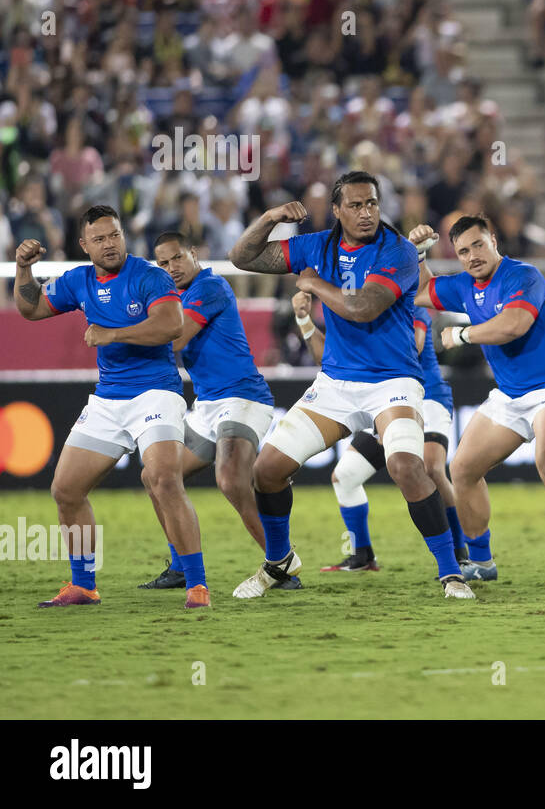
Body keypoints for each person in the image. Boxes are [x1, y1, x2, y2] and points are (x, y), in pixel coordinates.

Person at [229, 171, 472, 600]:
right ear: (337, 211)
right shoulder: (317, 244)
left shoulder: (396, 250)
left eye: (372, 204)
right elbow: (242, 257)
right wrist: (270, 218)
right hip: (337, 383)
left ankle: (451, 573)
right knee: (266, 470)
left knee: (406, 467)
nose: (366, 213)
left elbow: (363, 307)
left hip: (393, 381)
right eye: (356, 205)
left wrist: (314, 284)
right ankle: (280, 562)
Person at [15, 206, 208, 608]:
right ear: (84, 245)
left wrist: (111, 333)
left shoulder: (149, 276)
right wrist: (22, 270)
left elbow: (172, 325)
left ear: (123, 236)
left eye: (115, 235)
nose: (110, 244)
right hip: (108, 400)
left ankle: (196, 585)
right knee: (65, 490)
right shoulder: (78, 281)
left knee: (163, 478)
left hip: (156, 392)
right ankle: (84, 585)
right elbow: (31, 309)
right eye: (100, 239)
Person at [414, 216, 545, 581]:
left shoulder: (524, 276)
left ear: (493, 240)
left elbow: (513, 325)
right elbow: (421, 292)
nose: (472, 256)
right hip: (509, 395)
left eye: (478, 245)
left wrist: (461, 336)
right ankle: (482, 563)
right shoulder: (462, 285)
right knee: (462, 470)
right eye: (463, 251)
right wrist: (417, 256)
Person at [138, 233, 292, 591]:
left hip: (243, 398)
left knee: (230, 480)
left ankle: (280, 564)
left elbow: (176, 338)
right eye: (163, 263)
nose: (172, 268)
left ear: (193, 253)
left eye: (177, 258)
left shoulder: (211, 287)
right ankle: (180, 566)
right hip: (207, 406)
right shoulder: (173, 296)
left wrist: (121, 337)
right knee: (155, 476)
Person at [292, 288, 468, 571]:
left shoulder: (406, 303)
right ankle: (363, 556)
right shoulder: (349, 311)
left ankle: (461, 554)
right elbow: (327, 361)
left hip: (426, 396)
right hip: (382, 402)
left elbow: (415, 349)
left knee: (432, 469)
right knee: (345, 476)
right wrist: (305, 321)